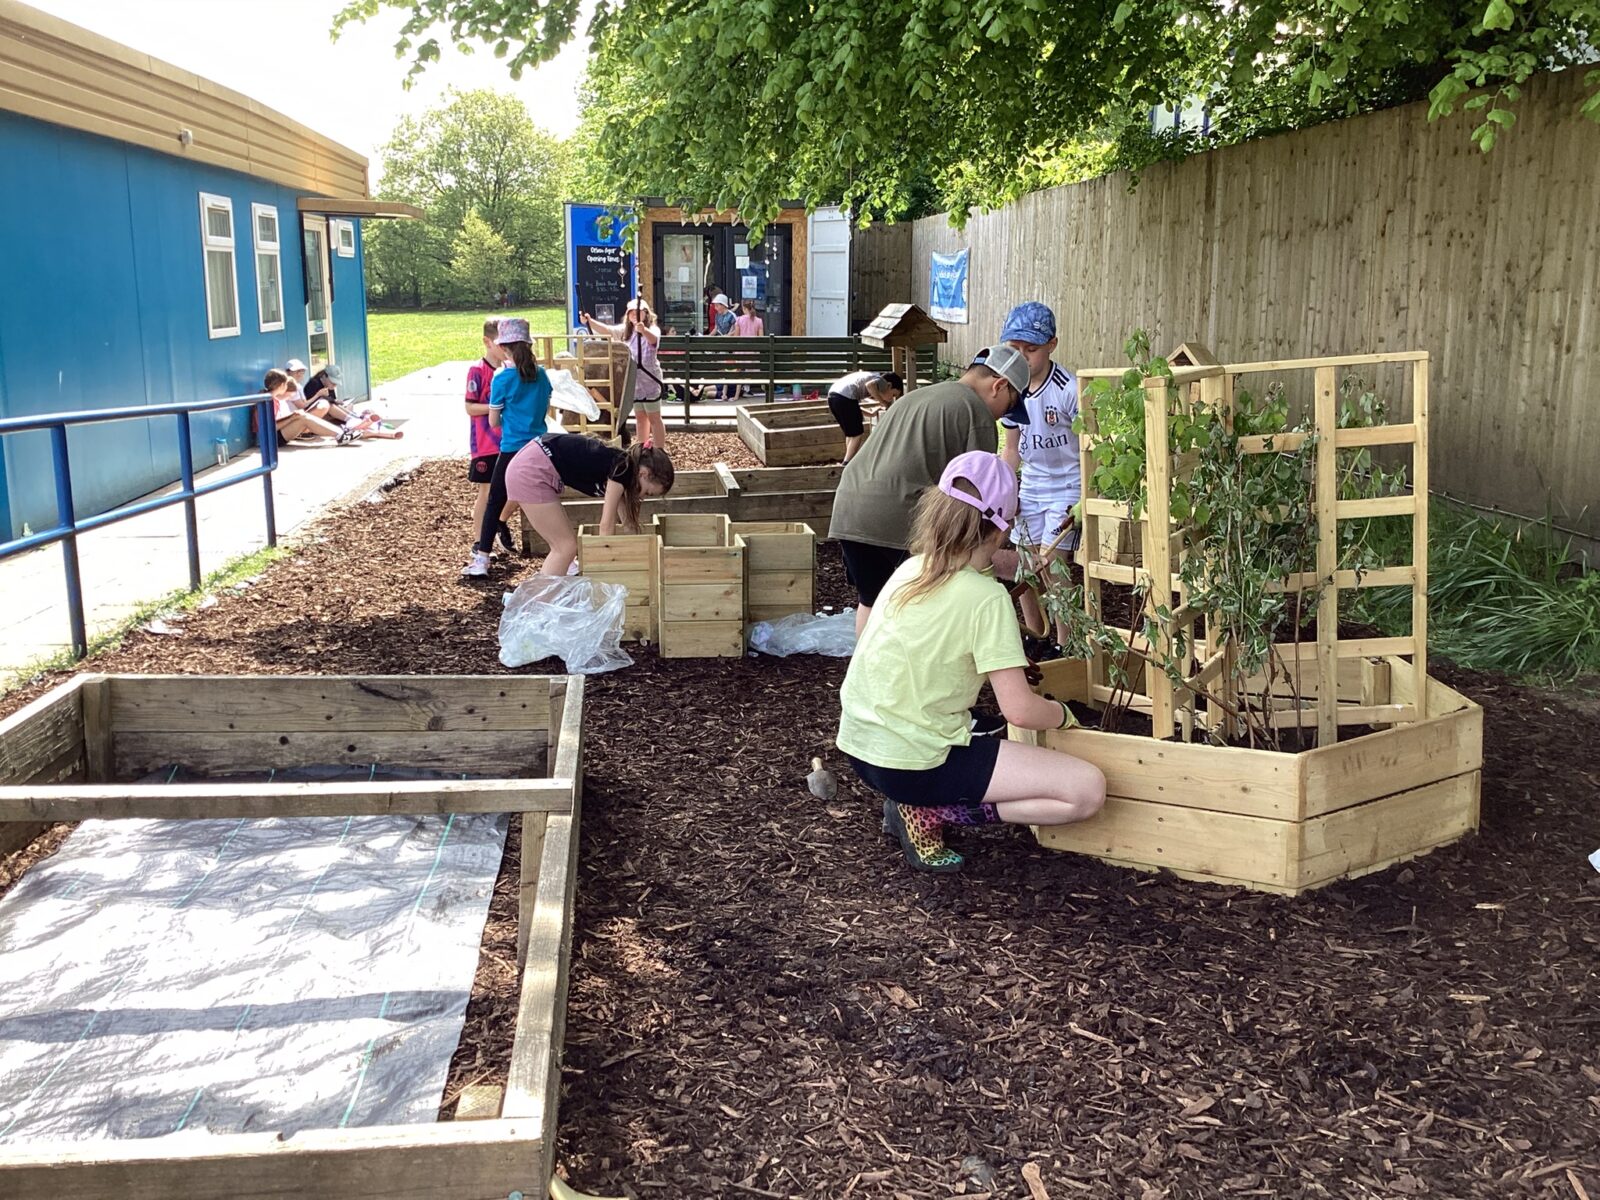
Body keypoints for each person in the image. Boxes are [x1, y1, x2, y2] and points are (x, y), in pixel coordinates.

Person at [836, 452, 1105, 873]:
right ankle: (931, 813)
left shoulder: (911, 568)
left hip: (860, 748)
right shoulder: (986, 599)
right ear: (1003, 529)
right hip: (914, 763)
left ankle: (910, 799)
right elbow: (1021, 711)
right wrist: (1064, 716)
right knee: (1085, 790)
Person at [829, 344, 1032, 637]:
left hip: (850, 508)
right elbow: (976, 496)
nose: (1004, 416)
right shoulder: (976, 414)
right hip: (899, 517)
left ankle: (867, 676)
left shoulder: (918, 396)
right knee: (921, 605)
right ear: (998, 386)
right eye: (1011, 405)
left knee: (872, 601)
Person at [992, 302, 1081, 643]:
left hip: (1067, 486)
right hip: (1031, 486)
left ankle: (1065, 640)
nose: (1023, 357)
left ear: (1051, 345)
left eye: (1031, 349)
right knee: (1023, 565)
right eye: (1014, 349)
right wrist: (1002, 492)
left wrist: (1084, 498)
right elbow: (1011, 449)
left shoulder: (1068, 389)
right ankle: (1036, 633)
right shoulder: (1010, 390)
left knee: (1053, 565)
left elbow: (1089, 447)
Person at [504, 434, 676, 576]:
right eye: (647, 492)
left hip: (532, 461)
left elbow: (629, 525)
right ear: (644, 473)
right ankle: (542, 606)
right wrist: (606, 568)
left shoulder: (625, 470)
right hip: (531, 470)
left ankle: (546, 600)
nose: (643, 497)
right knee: (565, 547)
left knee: (562, 546)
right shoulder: (622, 469)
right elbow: (606, 526)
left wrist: (639, 560)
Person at [462, 317, 552, 578]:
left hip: (512, 446)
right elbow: (544, 409)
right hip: (540, 446)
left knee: (494, 501)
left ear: (504, 346)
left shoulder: (501, 378)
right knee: (543, 499)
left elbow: (493, 420)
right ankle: (565, 556)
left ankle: (482, 559)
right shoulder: (542, 374)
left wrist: (507, 420)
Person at [583, 299, 668, 451]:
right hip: (634, 382)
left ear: (646, 314)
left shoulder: (652, 329)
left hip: (649, 380)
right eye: (632, 312)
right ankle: (641, 449)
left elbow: (654, 340)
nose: (635, 315)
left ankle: (660, 450)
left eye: (639, 312)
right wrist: (590, 321)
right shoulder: (625, 331)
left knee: (654, 417)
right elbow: (607, 330)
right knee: (640, 417)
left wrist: (644, 331)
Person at [465, 318, 519, 555]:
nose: (505, 348)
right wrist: (496, 407)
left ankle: (498, 522)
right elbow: (470, 407)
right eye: (501, 343)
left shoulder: (510, 371)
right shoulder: (477, 371)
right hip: (485, 443)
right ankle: (479, 542)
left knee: (516, 488)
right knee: (486, 492)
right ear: (487, 342)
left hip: (509, 440)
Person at [825, 370, 904, 463]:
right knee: (857, 433)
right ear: (889, 386)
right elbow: (869, 386)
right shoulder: (881, 381)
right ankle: (847, 463)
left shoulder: (872, 379)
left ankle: (848, 459)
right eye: (893, 395)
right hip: (844, 397)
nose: (891, 399)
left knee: (851, 434)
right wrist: (885, 404)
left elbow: (853, 409)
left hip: (833, 397)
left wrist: (870, 414)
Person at [263, 368, 351, 445]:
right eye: (286, 384)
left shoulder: (274, 399)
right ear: (282, 385)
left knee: (304, 415)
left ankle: (342, 432)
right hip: (274, 438)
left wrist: (293, 416)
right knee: (303, 417)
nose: (286, 387)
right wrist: (292, 417)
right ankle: (340, 434)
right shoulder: (269, 401)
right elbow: (271, 426)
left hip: (279, 434)